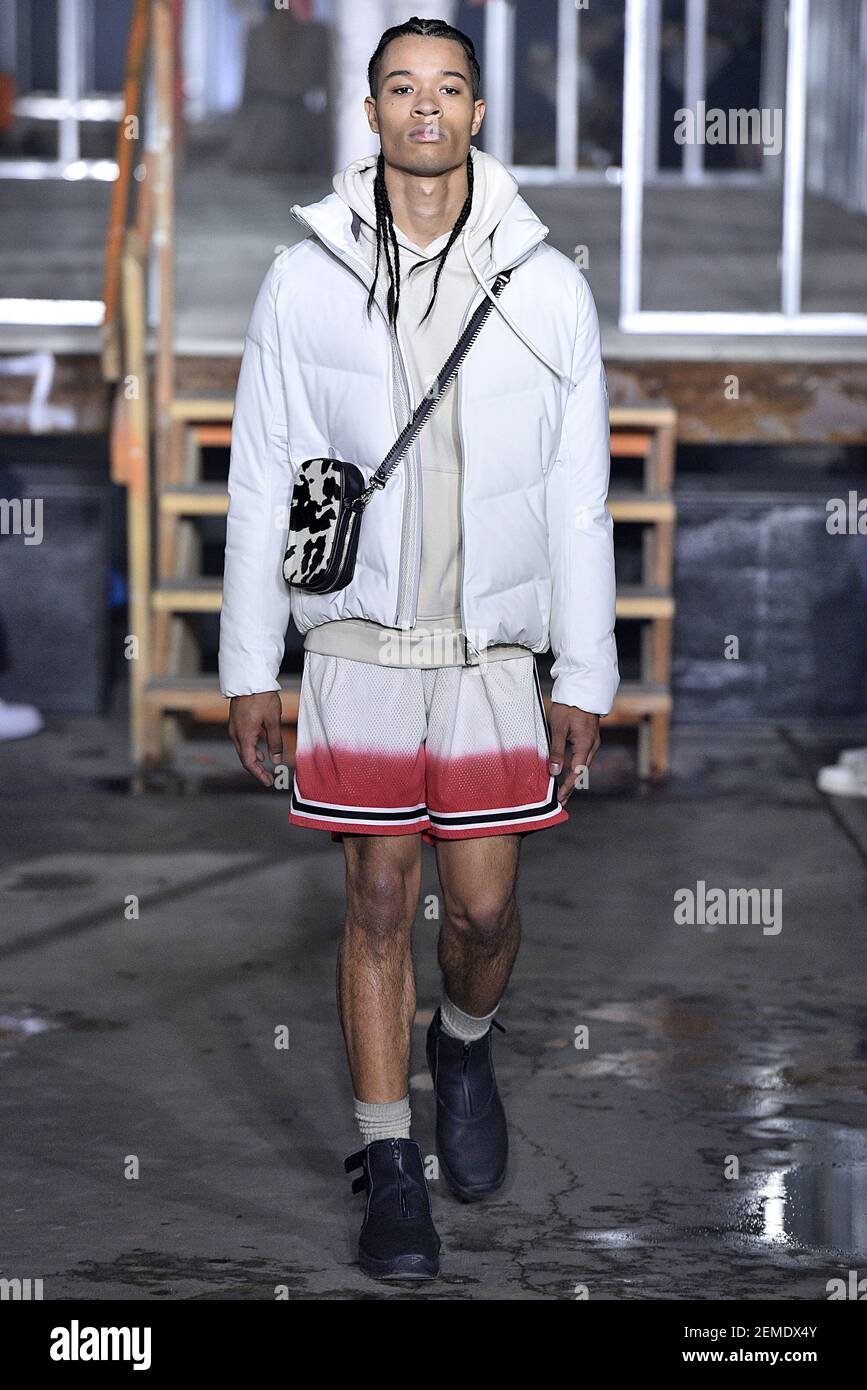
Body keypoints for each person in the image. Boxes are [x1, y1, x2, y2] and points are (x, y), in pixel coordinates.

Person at [218, 15, 618, 1283]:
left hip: (494, 649)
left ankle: (467, 1040)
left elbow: (577, 492)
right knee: (380, 895)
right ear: (375, 112)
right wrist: (248, 665)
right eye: (403, 86)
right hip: (357, 643)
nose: (426, 106)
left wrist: (587, 669)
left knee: (485, 911)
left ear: (481, 113)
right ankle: (393, 1169)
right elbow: (262, 477)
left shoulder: (547, 281)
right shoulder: (306, 276)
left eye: (450, 86)